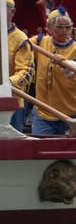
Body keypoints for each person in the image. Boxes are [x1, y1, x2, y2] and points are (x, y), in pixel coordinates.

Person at [31, 8, 76, 136]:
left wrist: (66, 64)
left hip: (71, 114)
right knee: (40, 151)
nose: (64, 31)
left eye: (68, 27)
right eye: (60, 27)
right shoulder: (39, 42)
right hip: (43, 113)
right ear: (49, 28)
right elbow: (22, 45)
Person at [6, 0, 34, 132]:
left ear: (12, 13)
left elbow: (26, 72)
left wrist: (8, 82)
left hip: (13, 99)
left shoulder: (20, 39)